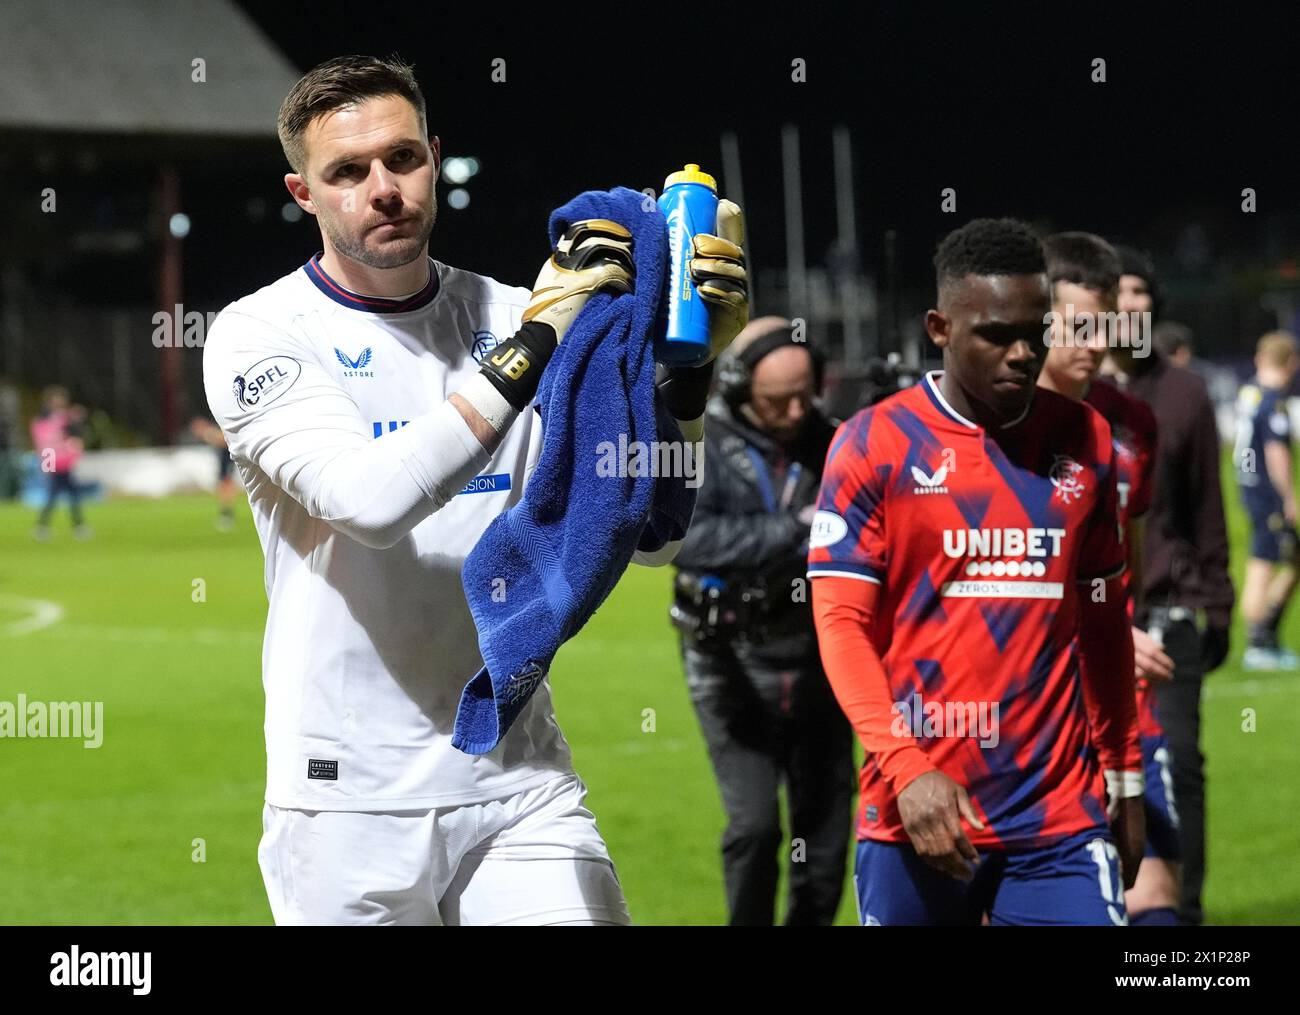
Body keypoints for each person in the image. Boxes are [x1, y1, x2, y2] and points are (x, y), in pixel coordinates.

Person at [201, 54, 749, 925]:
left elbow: (653, 534)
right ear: (304, 193)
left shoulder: (514, 309)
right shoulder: (260, 333)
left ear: (435, 157)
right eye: (347, 171)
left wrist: (687, 379)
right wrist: (534, 349)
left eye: (403, 158)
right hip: (346, 798)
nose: (383, 188)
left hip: (517, 775)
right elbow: (370, 501)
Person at [809, 218, 1144, 926]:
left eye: (1036, 331)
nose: (1023, 354)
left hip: (1058, 817)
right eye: (997, 334)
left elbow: (1107, 617)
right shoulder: (873, 443)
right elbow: (840, 625)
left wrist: (1126, 766)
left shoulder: (1085, 438)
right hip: (916, 810)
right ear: (940, 326)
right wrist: (906, 766)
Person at [670, 316, 853, 925]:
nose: (798, 411)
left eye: (807, 395)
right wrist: (799, 531)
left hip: (820, 656)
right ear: (741, 386)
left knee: (825, 838)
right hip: (726, 658)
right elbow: (688, 539)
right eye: (780, 400)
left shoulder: (832, 440)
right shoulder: (694, 439)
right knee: (754, 828)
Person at [1036, 231, 1181, 927]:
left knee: (1153, 894)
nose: (1095, 341)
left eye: (1104, 325)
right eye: (1078, 325)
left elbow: (1132, 550)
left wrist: (1127, 627)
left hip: (1120, 692)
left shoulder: (1134, 424)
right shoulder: (996, 424)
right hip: (1027, 704)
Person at [1103, 245, 1233, 925]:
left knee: (1178, 761)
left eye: (1140, 294)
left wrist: (1218, 605)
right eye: (1116, 292)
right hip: (1092, 617)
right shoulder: (1070, 392)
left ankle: (1183, 913)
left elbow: (1206, 505)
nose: (1129, 305)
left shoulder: (1184, 391)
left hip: (1170, 609)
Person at [1233, 331, 1300, 670]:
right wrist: (1289, 496)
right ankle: (1258, 643)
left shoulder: (1250, 393)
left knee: (1289, 558)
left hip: (1249, 484)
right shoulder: (1274, 401)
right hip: (1266, 490)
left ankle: (1265, 635)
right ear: (1291, 362)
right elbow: (1276, 453)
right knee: (1264, 560)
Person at [30, 385, 90, 541]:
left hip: (64, 462)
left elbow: (74, 434)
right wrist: (47, 464)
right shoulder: (45, 420)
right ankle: (74, 526)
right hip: (54, 462)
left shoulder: (63, 418)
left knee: (64, 495)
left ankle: (47, 527)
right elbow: (43, 443)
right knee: (59, 495)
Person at [190, 416, 238, 531]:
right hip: (223, 457)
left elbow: (223, 440)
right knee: (224, 485)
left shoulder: (223, 422)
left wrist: (207, 434)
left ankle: (227, 513)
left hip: (227, 456)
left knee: (226, 484)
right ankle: (226, 512)